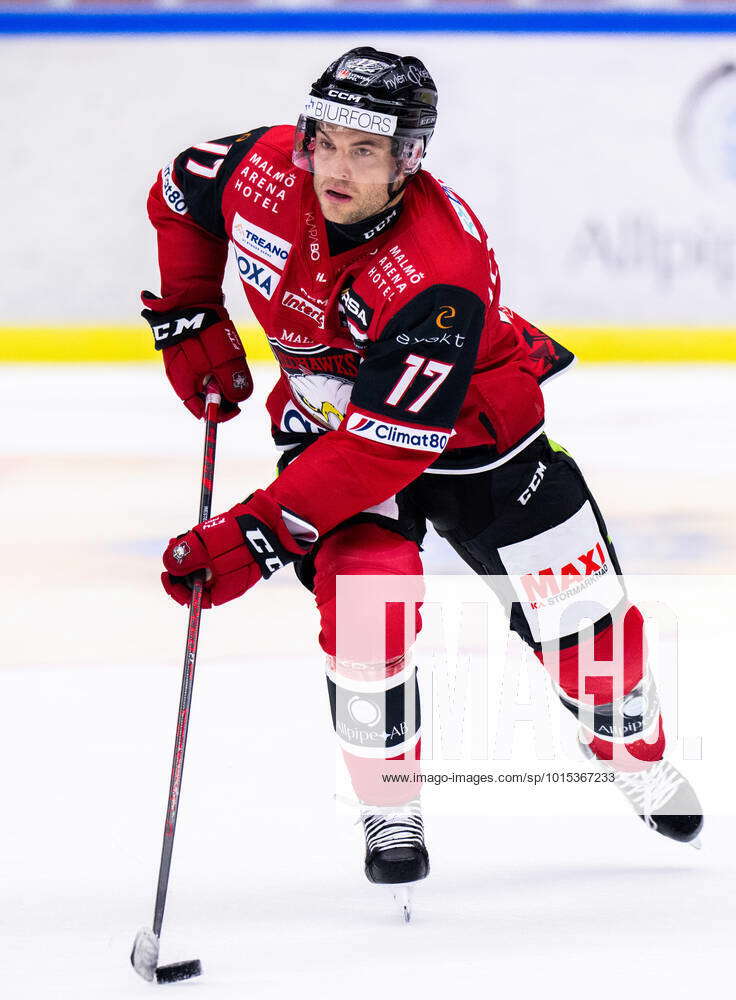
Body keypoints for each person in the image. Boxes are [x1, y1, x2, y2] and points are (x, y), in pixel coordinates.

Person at [142, 46, 703, 895]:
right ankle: (388, 799)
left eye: (364, 150)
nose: (334, 167)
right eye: (324, 141)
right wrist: (189, 311)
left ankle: (632, 747)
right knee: (365, 596)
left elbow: (388, 448)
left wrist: (255, 534)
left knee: (594, 640)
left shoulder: (440, 269)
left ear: (409, 159)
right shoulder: (259, 174)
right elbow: (178, 191)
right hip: (336, 427)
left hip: (480, 435)